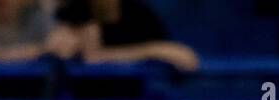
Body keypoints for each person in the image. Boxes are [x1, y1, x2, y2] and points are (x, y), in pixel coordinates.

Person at [56, 0, 198, 70]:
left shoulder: (141, 16)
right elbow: (88, 58)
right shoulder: (72, 16)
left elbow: (188, 61)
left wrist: (150, 51)